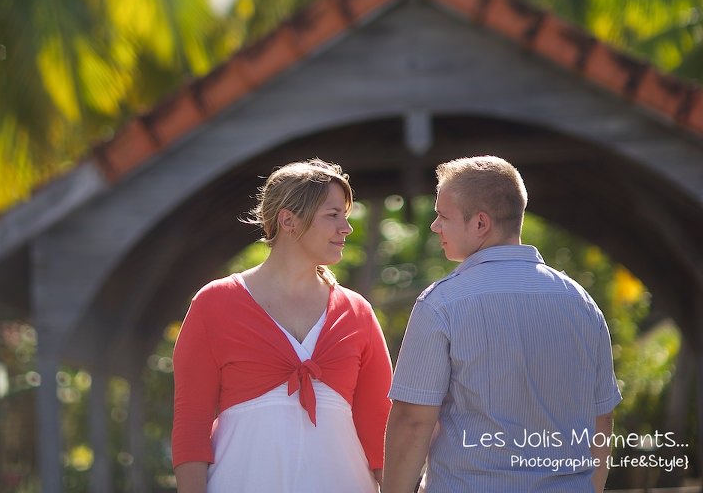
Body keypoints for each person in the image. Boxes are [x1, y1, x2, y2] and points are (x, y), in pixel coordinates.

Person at [382, 156, 622, 493]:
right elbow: (601, 419)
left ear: (480, 223)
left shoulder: (441, 304)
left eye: (443, 216)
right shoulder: (581, 303)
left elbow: (413, 421)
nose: (435, 226)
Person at [172, 157, 393, 493]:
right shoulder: (213, 304)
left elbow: (380, 430)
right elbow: (191, 427)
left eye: (345, 216)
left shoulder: (357, 311)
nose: (346, 228)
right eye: (333, 215)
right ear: (288, 220)